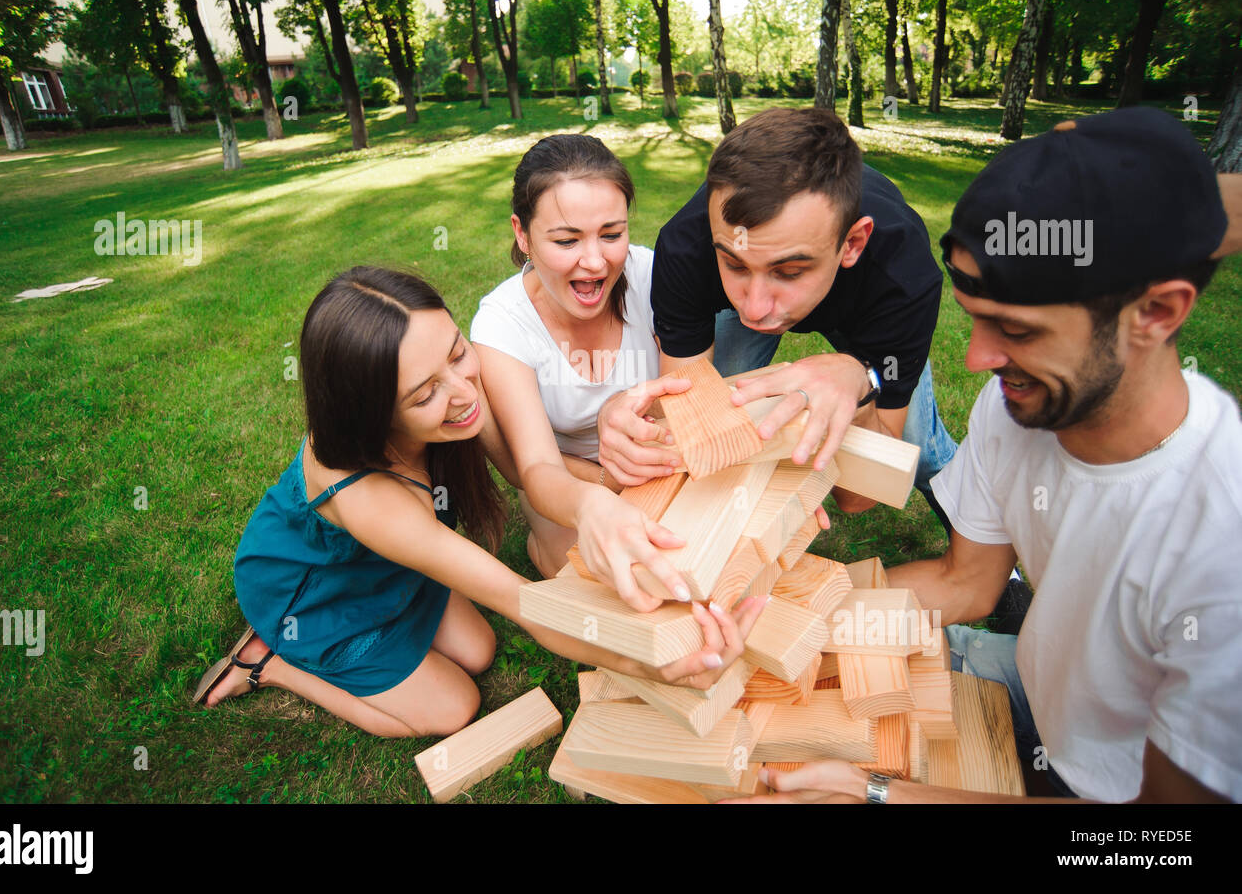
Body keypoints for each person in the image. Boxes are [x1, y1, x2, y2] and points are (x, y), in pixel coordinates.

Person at [739, 107, 1242, 804]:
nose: (977, 359)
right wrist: (779, 613)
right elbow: (964, 582)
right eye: (975, 316)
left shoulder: (1222, 551)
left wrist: (878, 794)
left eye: (1016, 330)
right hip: (1040, 691)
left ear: (1155, 315)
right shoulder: (1021, 406)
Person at [194, 266, 764, 735]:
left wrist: (631, 476)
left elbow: (528, 466)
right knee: (453, 707)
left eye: (458, 353)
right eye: (425, 394)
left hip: (396, 563)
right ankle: (273, 662)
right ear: (373, 414)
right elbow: (526, 603)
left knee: (480, 648)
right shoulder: (371, 499)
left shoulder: (450, 395)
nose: (466, 393)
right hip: (316, 592)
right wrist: (649, 659)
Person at [471, 135, 829, 609]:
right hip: (569, 481)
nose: (596, 262)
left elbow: (697, 402)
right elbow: (536, 469)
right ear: (522, 234)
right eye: (566, 240)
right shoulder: (502, 324)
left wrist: (761, 469)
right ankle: (545, 542)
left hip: (660, 460)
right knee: (606, 588)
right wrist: (597, 498)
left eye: (612, 234)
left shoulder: (656, 276)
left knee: (728, 574)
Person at [597, 107, 958, 533]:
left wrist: (858, 382)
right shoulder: (686, 249)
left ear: (852, 243)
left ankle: (986, 552)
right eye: (733, 265)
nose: (754, 309)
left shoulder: (903, 276)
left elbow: (859, 498)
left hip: (869, 302)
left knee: (918, 445)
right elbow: (687, 423)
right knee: (713, 426)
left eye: (789, 272)